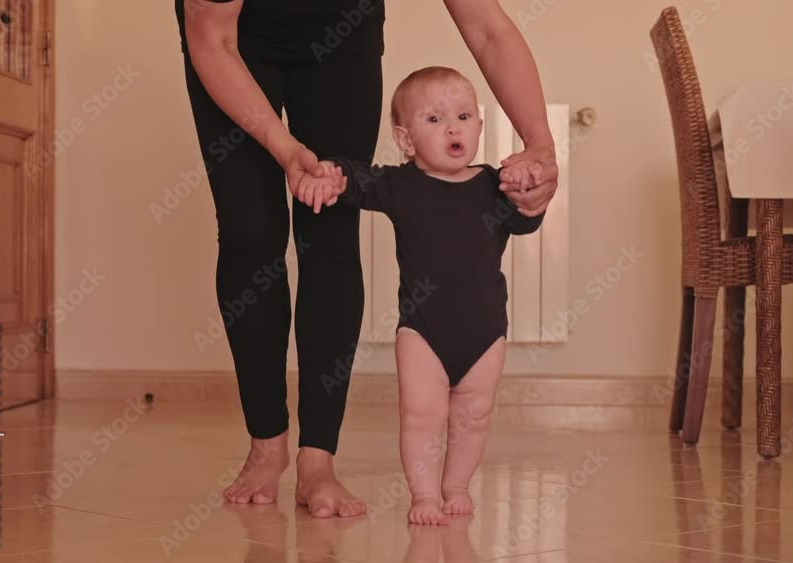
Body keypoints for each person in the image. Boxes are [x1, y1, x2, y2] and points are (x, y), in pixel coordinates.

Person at [176, 0, 559, 518]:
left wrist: (540, 145)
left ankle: (318, 462)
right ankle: (267, 443)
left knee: (330, 228)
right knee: (252, 230)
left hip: (341, 33)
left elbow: (487, 29)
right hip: (233, 44)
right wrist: (287, 151)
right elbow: (212, 40)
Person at [299, 66, 544, 524]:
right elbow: (359, 179)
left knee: (474, 415)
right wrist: (332, 176)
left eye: (464, 116)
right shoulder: (401, 184)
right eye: (434, 120)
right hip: (422, 332)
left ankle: (455, 484)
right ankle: (425, 493)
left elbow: (526, 220)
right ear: (407, 140)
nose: (453, 126)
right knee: (420, 416)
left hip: (486, 330)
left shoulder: (495, 184)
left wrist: (532, 193)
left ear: (479, 126)